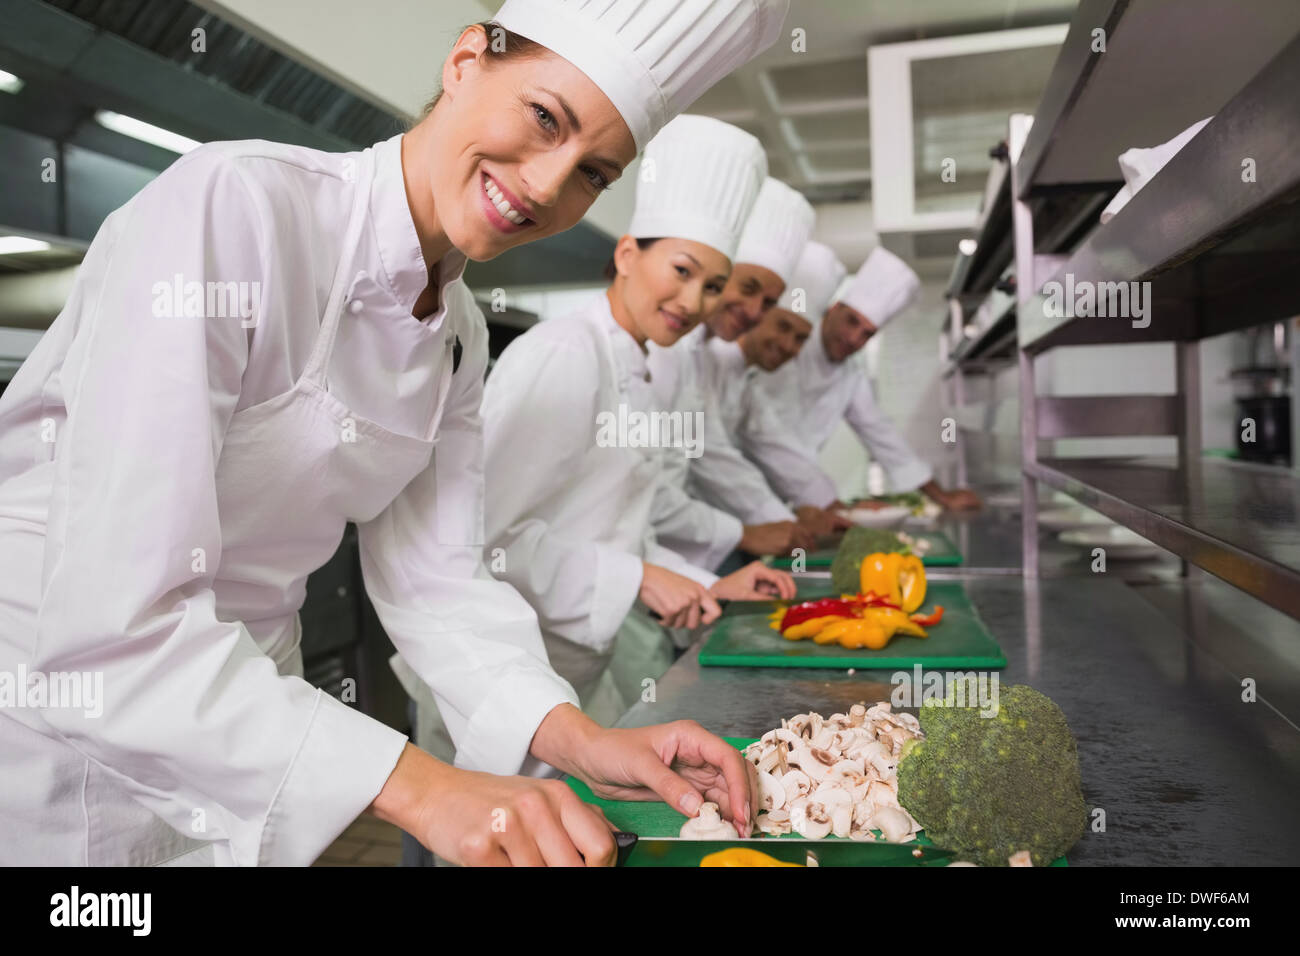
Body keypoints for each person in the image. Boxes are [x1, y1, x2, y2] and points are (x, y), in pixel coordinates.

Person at [0, 0, 788, 867]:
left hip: (251, 713)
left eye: (594, 173)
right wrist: (422, 786)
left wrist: (579, 739)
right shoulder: (235, 208)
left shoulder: (460, 335)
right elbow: (115, 619)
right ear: (465, 61)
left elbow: (436, 578)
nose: (546, 186)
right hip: (60, 730)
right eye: (544, 117)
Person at [478, 114, 796, 734]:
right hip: (502, 683)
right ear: (627, 253)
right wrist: (639, 580)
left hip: (570, 678)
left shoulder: (642, 367)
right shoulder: (567, 353)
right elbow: (488, 543)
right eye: (682, 270)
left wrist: (709, 584)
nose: (693, 302)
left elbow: (613, 528)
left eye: (714, 286)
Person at [648, 177, 842, 566]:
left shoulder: (705, 355)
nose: (753, 311)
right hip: (661, 552)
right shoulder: (665, 350)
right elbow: (705, 457)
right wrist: (769, 525)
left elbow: (767, 442)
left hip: (680, 549)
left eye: (767, 301)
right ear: (626, 257)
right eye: (747, 288)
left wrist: (819, 504)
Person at [755, 246, 982, 511]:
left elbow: (880, 433)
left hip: (779, 494)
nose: (854, 339)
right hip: (737, 484)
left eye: (867, 334)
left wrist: (940, 496)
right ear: (834, 308)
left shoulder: (849, 373)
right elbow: (764, 434)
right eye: (852, 321)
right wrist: (834, 506)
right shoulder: (783, 349)